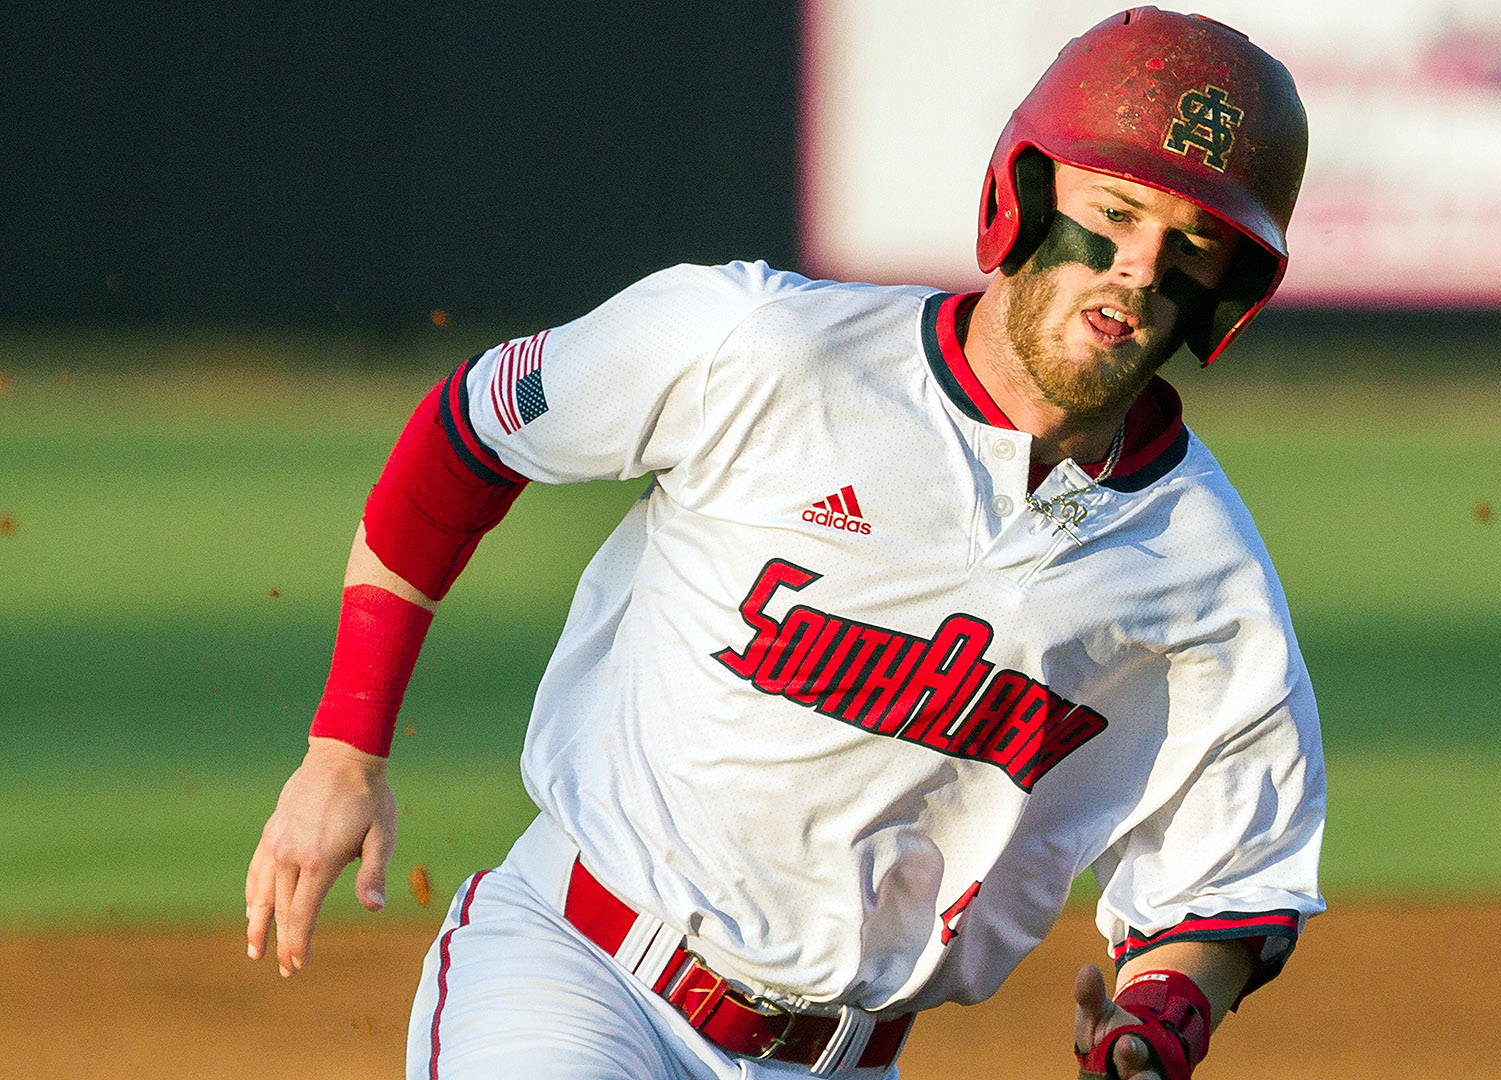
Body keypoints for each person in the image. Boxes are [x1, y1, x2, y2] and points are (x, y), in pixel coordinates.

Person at [244, 8, 1323, 1079]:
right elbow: (470, 435)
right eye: (1116, 211)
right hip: (579, 976)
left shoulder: (1202, 572)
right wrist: (345, 749)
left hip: (844, 1059)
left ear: (1228, 289)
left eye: (1191, 243)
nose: (1139, 267)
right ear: (1025, 197)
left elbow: (1228, 885)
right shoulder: (764, 349)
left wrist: (1159, 1021)